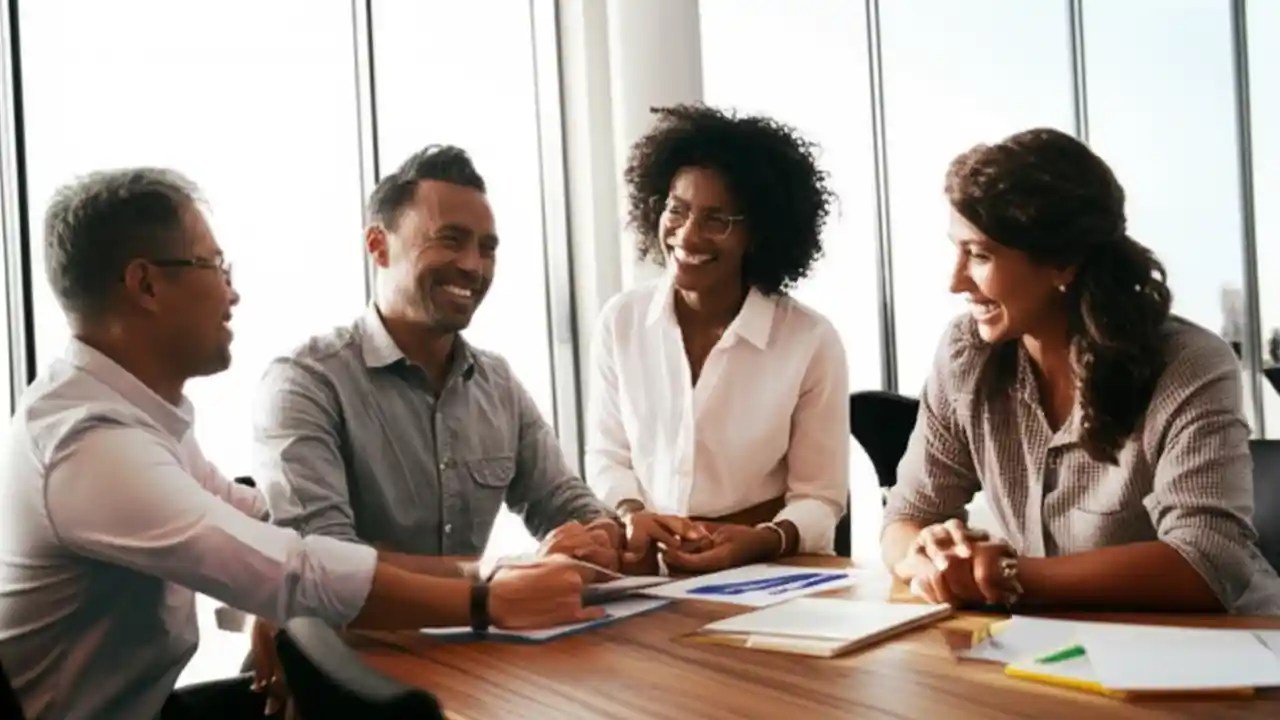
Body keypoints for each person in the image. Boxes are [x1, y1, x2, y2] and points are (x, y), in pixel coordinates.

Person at [0, 169, 600, 720]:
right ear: (146, 284)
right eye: (216, 267)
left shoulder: (137, 423)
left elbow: (283, 539)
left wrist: (500, 570)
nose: (232, 295)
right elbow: (292, 572)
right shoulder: (89, 445)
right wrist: (485, 599)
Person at [881, 128, 1280, 614]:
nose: (955, 280)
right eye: (957, 250)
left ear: (1063, 261)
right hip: (1051, 653)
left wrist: (1005, 574)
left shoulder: (1187, 363)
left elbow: (1208, 562)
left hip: (1218, 655)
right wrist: (929, 560)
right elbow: (907, 518)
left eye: (980, 255)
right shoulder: (966, 354)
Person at [252, 145, 622, 580]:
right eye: (450, 241)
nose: (473, 266)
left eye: (487, 249)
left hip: (474, 640)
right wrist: (500, 574)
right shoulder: (307, 382)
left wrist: (607, 536)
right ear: (378, 246)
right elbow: (327, 565)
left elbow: (564, 504)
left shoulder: (497, 383)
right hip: (345, 646)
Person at [587, 105, 850, 575]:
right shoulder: (620, 321)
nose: (687, 234)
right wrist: (631, 513)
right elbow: (607, 455)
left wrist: (760, 542)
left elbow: (820, 497)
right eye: (677, 210)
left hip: (766, 574)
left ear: (757, 233)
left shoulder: (810, 340)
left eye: (717, 220)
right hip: (647, 572)